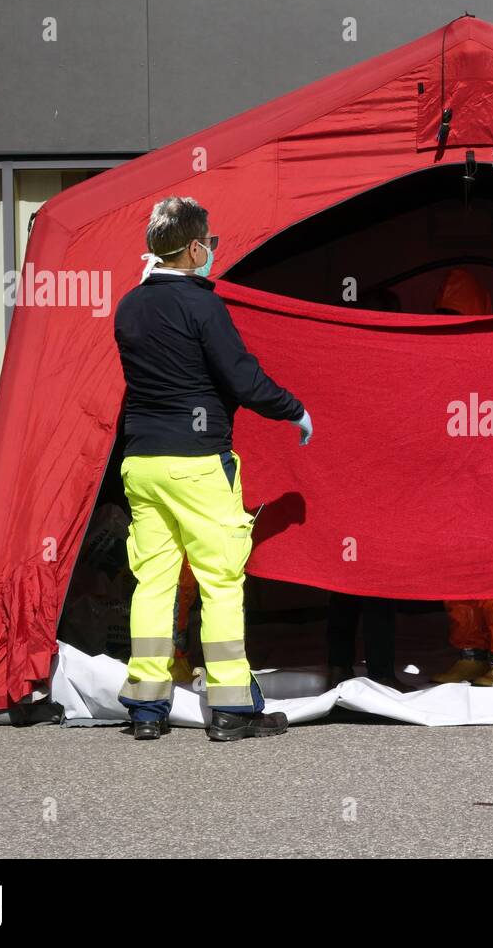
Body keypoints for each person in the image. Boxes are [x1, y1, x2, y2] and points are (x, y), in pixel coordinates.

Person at [114, 196, 313, 741]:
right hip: (197, 462)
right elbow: (243, 379)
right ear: (196, 248)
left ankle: (146, 710)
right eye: (212, 243)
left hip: (140, 462)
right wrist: (292, 408)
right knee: (220, 581)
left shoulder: (129, 306)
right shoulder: (203, 307)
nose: (212, 252)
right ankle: (231, 710)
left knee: (152, 585)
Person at [426, 268, 493, 689]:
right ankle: (470, 654)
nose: (448, 323)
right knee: (457, 568)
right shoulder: (436, 361)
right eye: (443, 315)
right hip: (452, 480)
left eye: (454, 314)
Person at [326, 287, 406, 690]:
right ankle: (380, 671)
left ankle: (340, 665)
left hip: (349, 483)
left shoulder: (341, 364)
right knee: (377, 582)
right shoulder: (390, 365)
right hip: (375, 484)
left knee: (347, 578)